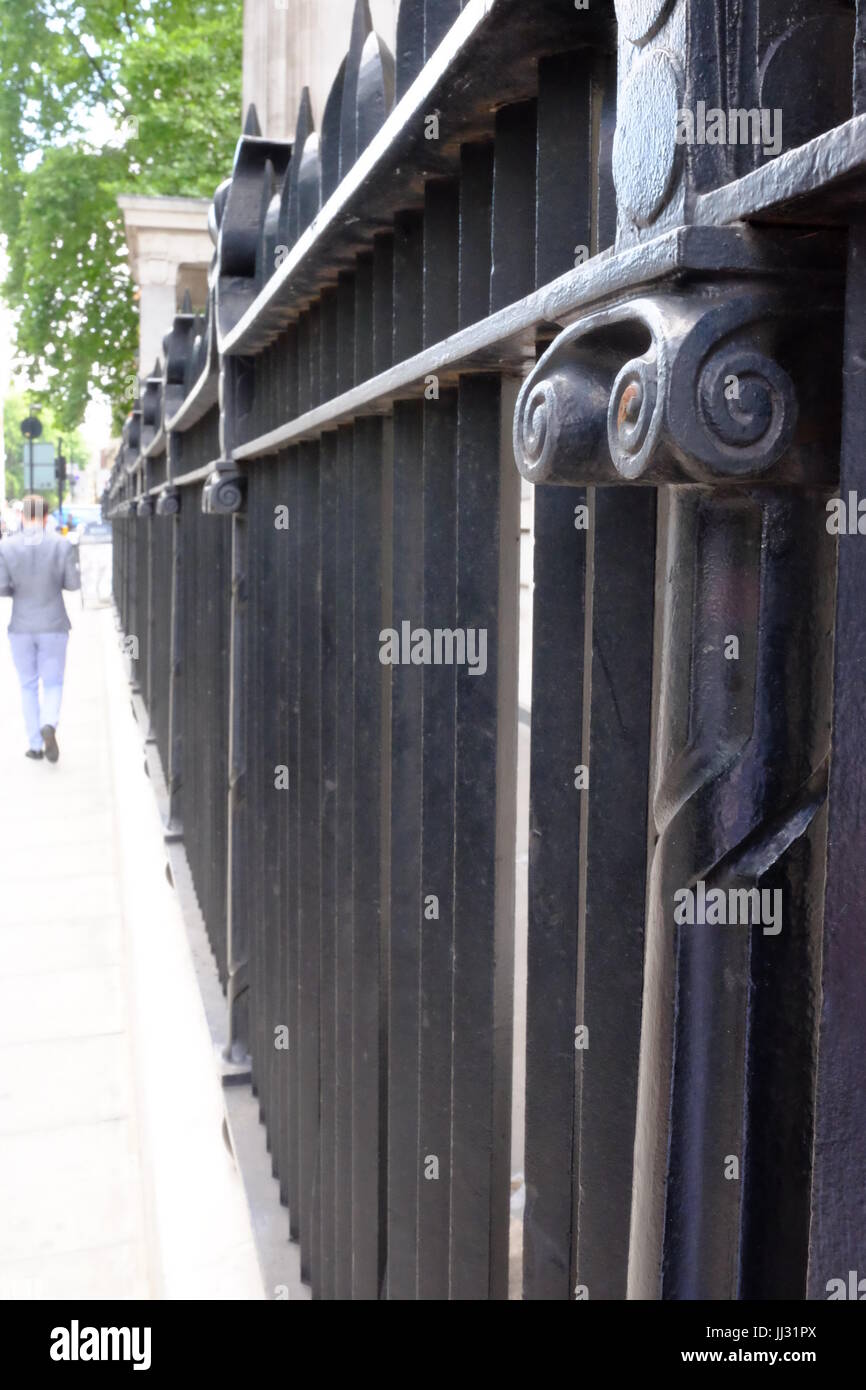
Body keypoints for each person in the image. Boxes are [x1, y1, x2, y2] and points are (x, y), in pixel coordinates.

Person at [0, 494, 81, 762]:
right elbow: (72, 584)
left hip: (21, 626)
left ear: (23, 516)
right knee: (54, 682)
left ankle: (35, 743)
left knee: (27, 685)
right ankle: (49, 722)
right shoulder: (60, 544)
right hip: (54, 624)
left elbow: (2, 587)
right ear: (47, 517)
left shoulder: (7, 547)